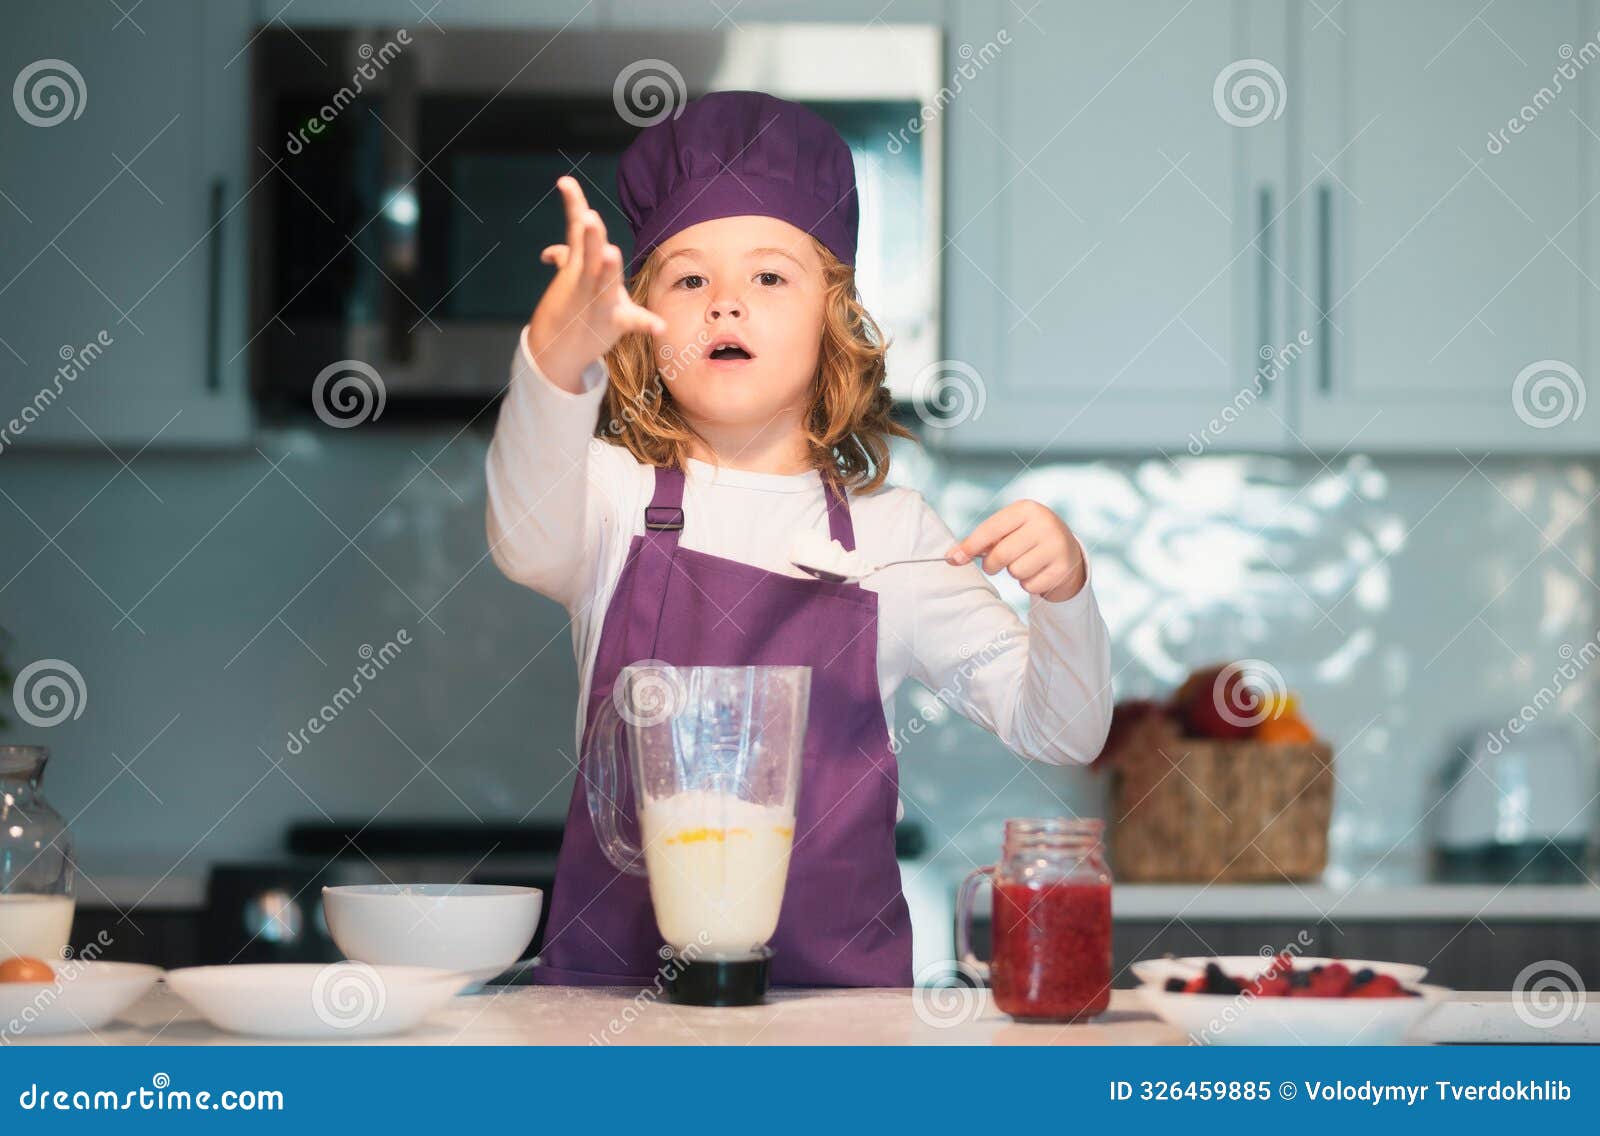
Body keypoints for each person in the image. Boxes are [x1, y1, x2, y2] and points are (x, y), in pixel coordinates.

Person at [485, 90, 1113, 987]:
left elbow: (1064, 731)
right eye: (689, 278)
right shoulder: (614, 500)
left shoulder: (895, 539)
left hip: (838, 1035)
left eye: (770, 277)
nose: (726, 304)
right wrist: (553, 364)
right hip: (616, 1024)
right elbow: (524, 538)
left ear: (835, 318)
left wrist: (1065, 596)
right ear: (643, 320)